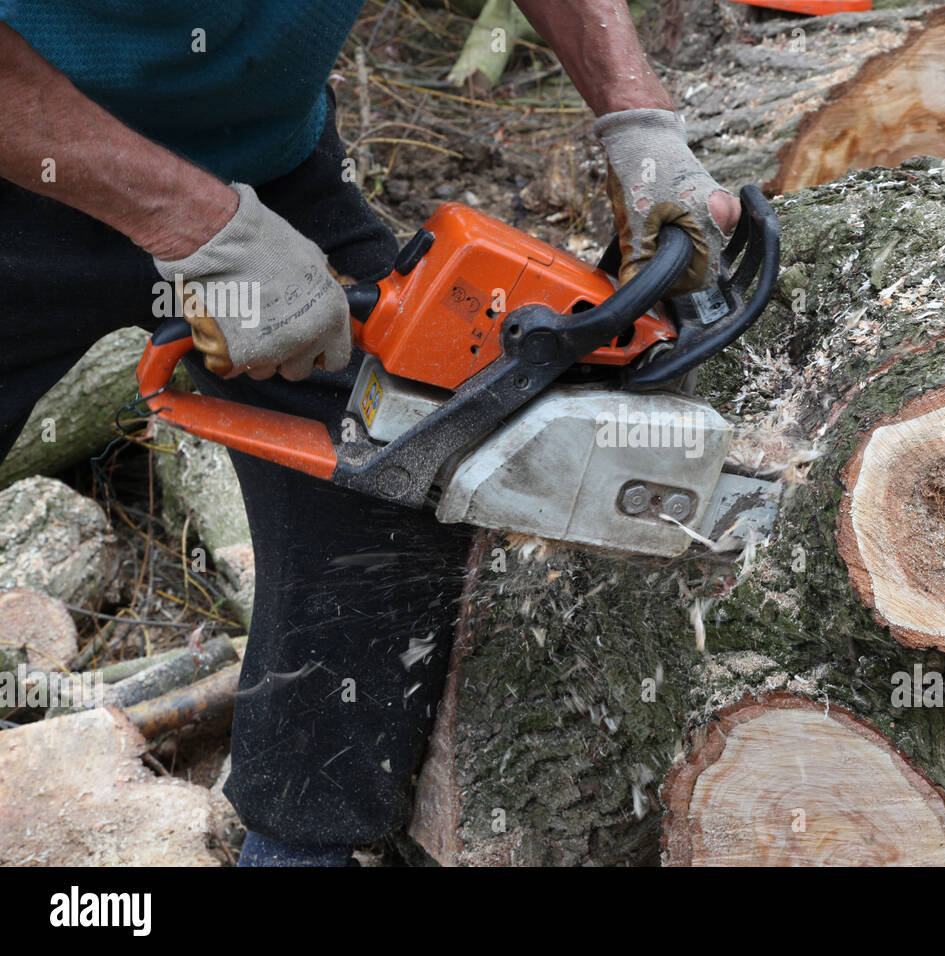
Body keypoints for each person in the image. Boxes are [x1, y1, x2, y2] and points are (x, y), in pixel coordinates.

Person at [0, 1, 738, 866]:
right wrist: (192, 222)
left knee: (385, 494)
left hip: (265, 167)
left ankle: (300, 855)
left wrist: (635, 117)